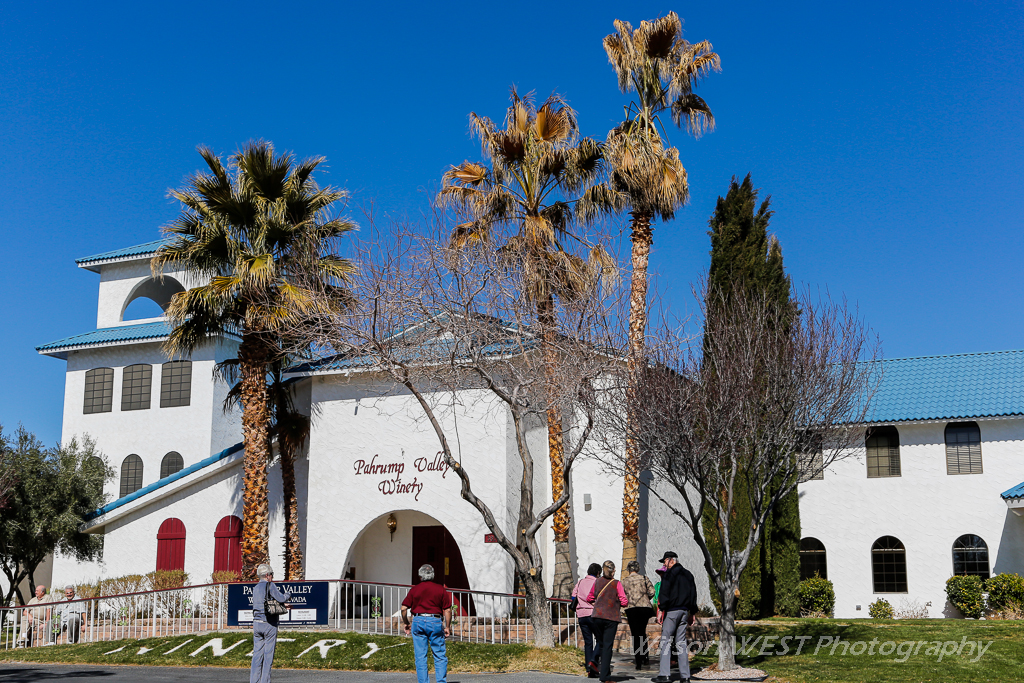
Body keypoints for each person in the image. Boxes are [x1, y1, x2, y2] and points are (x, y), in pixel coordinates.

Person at [401, 564, 452, 683]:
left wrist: (406, 623)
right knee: (439, 654)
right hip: (435, 621)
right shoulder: (440, 589)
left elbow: (404, 608)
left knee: (420, 656)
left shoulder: (415, 589)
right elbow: (448, 610)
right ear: (433, 576)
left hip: (418, 620)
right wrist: (447, 626)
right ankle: (441, 681)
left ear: (420, 576)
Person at [652, 551, 699, 683]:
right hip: (684, 612)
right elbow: (693, 594)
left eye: (665, 561)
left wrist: (661, 610)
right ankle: (685, 676)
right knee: (681, 643)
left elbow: (664, 593)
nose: (664, 564)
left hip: (672, 611)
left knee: (665, 641)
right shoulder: (688, 575)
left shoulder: (669, 575)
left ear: (671, 560)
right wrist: (692, 613)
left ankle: (664, 674)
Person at [585, 560, 628, 683]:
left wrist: (599, 603)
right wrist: (616, 603)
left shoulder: (597, 582)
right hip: (611, 617)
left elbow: (589, 598)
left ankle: (599, 669)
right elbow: (624, 601)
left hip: (597, 616)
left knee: (601, 644)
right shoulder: (616, 584)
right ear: (613, 571)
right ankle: (605, 676)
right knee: (607, 646)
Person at [250, 564, 292, 683]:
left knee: (257, 655)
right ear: (267, 575)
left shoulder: (256, 588)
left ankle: (254, 681)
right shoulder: (270, 585)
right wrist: (288, 594)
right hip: (268, 624)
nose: (272, 577)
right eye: (272, 574)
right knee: (268, 656)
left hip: (257, 623)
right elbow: (281, 598)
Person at [622, 560, 656, 670]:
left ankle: (638, 661)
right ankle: (645, 657)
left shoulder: (624, 581)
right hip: (644, 607)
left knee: (635, 634)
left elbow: (621, 596)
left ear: (628, 569)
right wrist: (646, 598)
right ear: (638, 569)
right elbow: (652, 592)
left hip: (631, 608)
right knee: (642, 632)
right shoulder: (644, 578)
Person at [571, 563, 602, 678]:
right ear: (598, 573)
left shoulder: (580, 582)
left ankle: (589, 668)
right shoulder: (597, 582)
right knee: (601, 639)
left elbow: (573, 597)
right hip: (593, 614)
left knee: (588, 642)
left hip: (581, 615)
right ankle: (593, 661)